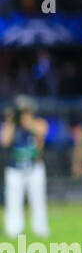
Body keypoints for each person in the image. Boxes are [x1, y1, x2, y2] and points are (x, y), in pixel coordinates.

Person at [2, 97, 49, 238]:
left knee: (38, 199)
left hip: (34, 167)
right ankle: (13, 229)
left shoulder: (38, 123)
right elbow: (5, 140)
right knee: (13, 200)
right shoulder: (11, 126)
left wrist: (27, 122)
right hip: (15, 168)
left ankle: (40, 228)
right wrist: (11, 120)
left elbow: (42, 132)